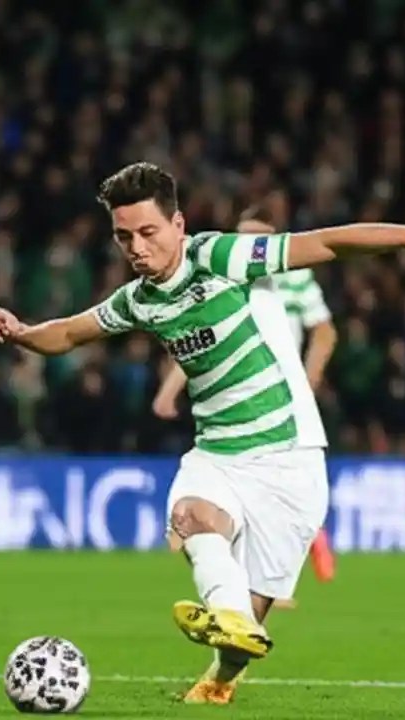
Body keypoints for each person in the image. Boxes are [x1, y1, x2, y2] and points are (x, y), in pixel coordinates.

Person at [0, 162, 405, 704]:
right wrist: (23, 333)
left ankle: (222, 670)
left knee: (242, 639)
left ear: (178, 224)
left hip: (289, 456)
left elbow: (328, 243)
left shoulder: (218, 257)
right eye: (124, 236)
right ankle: (228, 618)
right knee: (191, 514)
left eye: (148, 232)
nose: (136, 248)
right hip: (217, 452)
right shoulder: (140, 299)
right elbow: (72, 332)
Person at [153, 200, 339, 594]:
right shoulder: (221, 277)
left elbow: (324, 331)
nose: (251, 243)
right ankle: (245, 579)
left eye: (260, 237)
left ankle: (280, 561)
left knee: (278, 484)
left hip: (280, 396)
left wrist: (308, 380)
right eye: (244, 235)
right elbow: (204, 346)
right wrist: (169, 391)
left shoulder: (294, 277)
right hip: (234, 395)